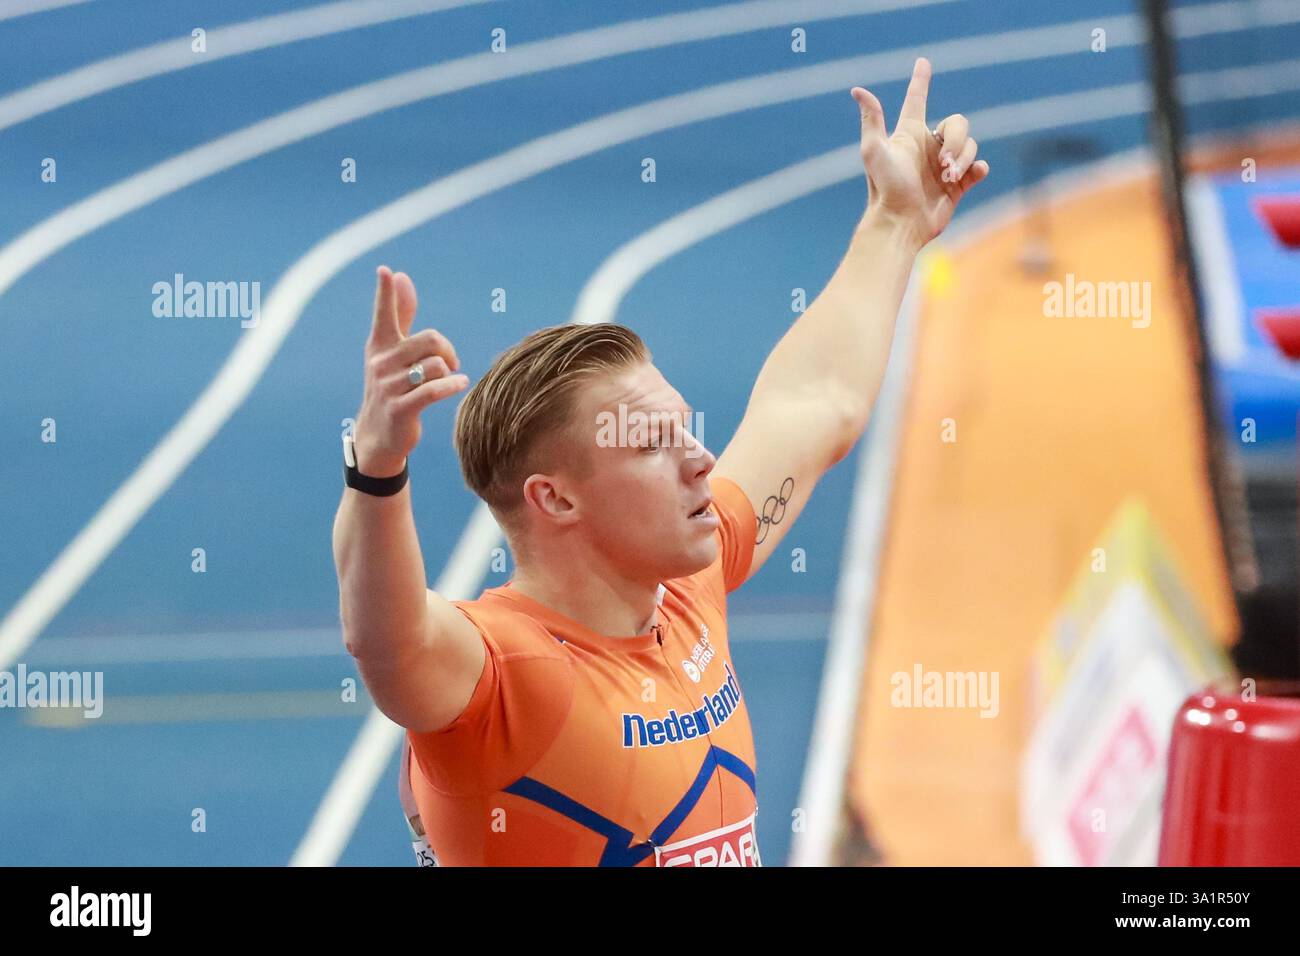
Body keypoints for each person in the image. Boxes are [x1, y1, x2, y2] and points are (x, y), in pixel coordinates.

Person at [332, 57, 988, 866]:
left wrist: (895, 223)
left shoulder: (687, 589)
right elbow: (385, 642)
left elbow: (815, 402)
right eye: (652, 444)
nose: (702, 460)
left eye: (687, 430)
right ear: (556, 500)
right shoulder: (505, 676)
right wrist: (377, 469)